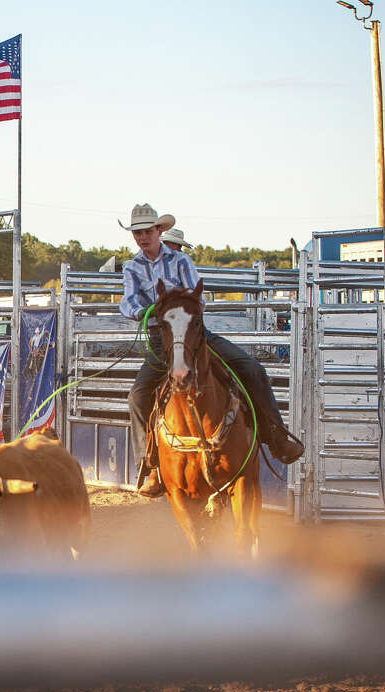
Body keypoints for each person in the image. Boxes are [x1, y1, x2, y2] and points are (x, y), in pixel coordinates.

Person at [118, 203, 304, 498]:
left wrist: (176, 304)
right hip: (160, 340)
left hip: (194, 337)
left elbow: (197, 297)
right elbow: (127, 303)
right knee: (137, 397)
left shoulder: (180, 261)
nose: (142, 237)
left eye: (147, 231)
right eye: (137, 233)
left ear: (159, 231)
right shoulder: (132, 267)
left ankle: (276, 436)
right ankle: (151, 465)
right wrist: (148, 310)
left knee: (253, 370)